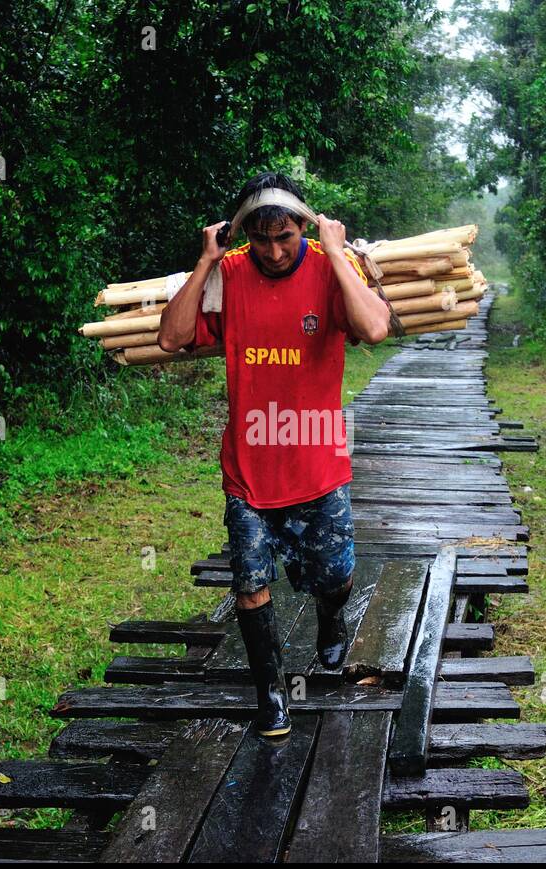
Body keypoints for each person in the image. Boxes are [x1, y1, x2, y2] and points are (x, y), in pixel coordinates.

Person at [157, 171, 391, 739]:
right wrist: (206, 262)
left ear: (303, 227)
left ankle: (332, 619)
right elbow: (171, 337)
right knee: (250, 583)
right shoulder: (229, 274)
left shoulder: (330, 267)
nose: (274, 250)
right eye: (261, 239)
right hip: (249, 471)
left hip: (318, 464)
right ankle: (271, 696)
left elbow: (375, 327)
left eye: (285, 236)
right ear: (245, 236)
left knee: (333, 576)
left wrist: (335, 253)